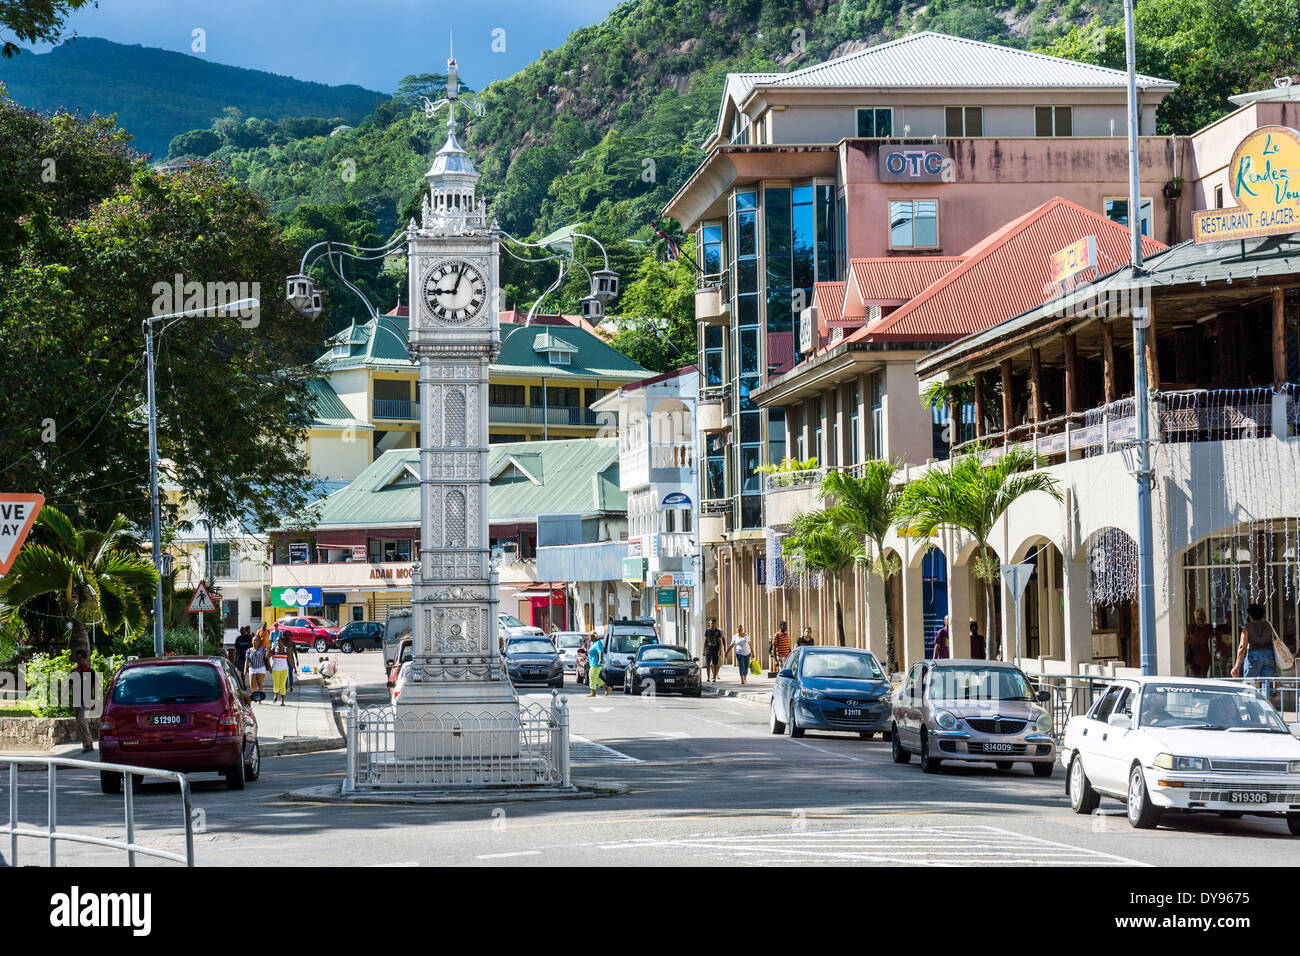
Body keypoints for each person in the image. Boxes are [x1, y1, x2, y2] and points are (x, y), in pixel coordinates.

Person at [1232, 603, 1278, 698]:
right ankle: (1267, 709)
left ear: (1250, 615)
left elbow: (1242, 647)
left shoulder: (1247, 628)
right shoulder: (1268, 626)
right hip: (1269, 655)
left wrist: (1236, 666)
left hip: (1253, 656)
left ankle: (1250, 710)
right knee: (1268, 686)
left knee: (1249, 685)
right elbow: (1275, 641)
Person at [68, 650, 96, 752]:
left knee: (82, 721)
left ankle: (89, 743)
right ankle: (87, 745)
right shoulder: (74, 671)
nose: (78, 661)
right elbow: (69, 685)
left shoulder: (91, 672)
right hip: (77, 700)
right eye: (77, 659)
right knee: (81, 723)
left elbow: (95, 688)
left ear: (85, 659)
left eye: (80, 659)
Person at [1185, 608, 1213, 678]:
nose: (1199, 618)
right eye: (1198, 616)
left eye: (1201, 616)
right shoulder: (1191, 627)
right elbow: (1186, 641)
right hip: (1194, 658)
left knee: (1203, 677)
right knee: (1196, 677)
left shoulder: (1208, 627)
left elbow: (1186, 641)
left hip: (1204, 657)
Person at [270, 635, 293, 705]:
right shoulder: (274, 649)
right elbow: (267, 657)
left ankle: (282, 701)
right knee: (276, 685)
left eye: (279, 640)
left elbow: (290, 659)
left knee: (283, 685)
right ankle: (276, 695)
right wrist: (269, 667)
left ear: (282, 642)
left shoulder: (286, 650)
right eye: (276, 640)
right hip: (275, 670)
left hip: (284, 669)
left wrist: (294, 667)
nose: (277, 642)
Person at [586, 631, 610, 697]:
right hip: (593, 663)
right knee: (594, 677)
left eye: (590, 637)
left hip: (596, 663)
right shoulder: (594, 643)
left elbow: (600, 652)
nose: (589, 638)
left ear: (594, 637)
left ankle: (593, 693)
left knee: (592, 677)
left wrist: (600, 660)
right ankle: (606, 688)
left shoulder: (598, 643)